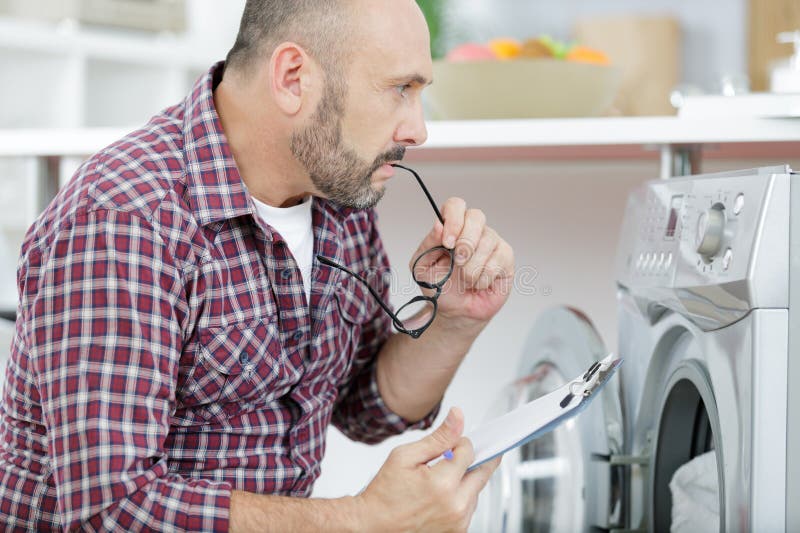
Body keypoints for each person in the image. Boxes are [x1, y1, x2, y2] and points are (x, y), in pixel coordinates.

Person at [0, 0, 515, 530]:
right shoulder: (126, 216)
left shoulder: (337, 197)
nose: (417, 130)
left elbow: (364, 406)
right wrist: (362, 520)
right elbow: (110, 511)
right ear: (293, 77)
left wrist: (454, 318)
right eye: (399, 90)